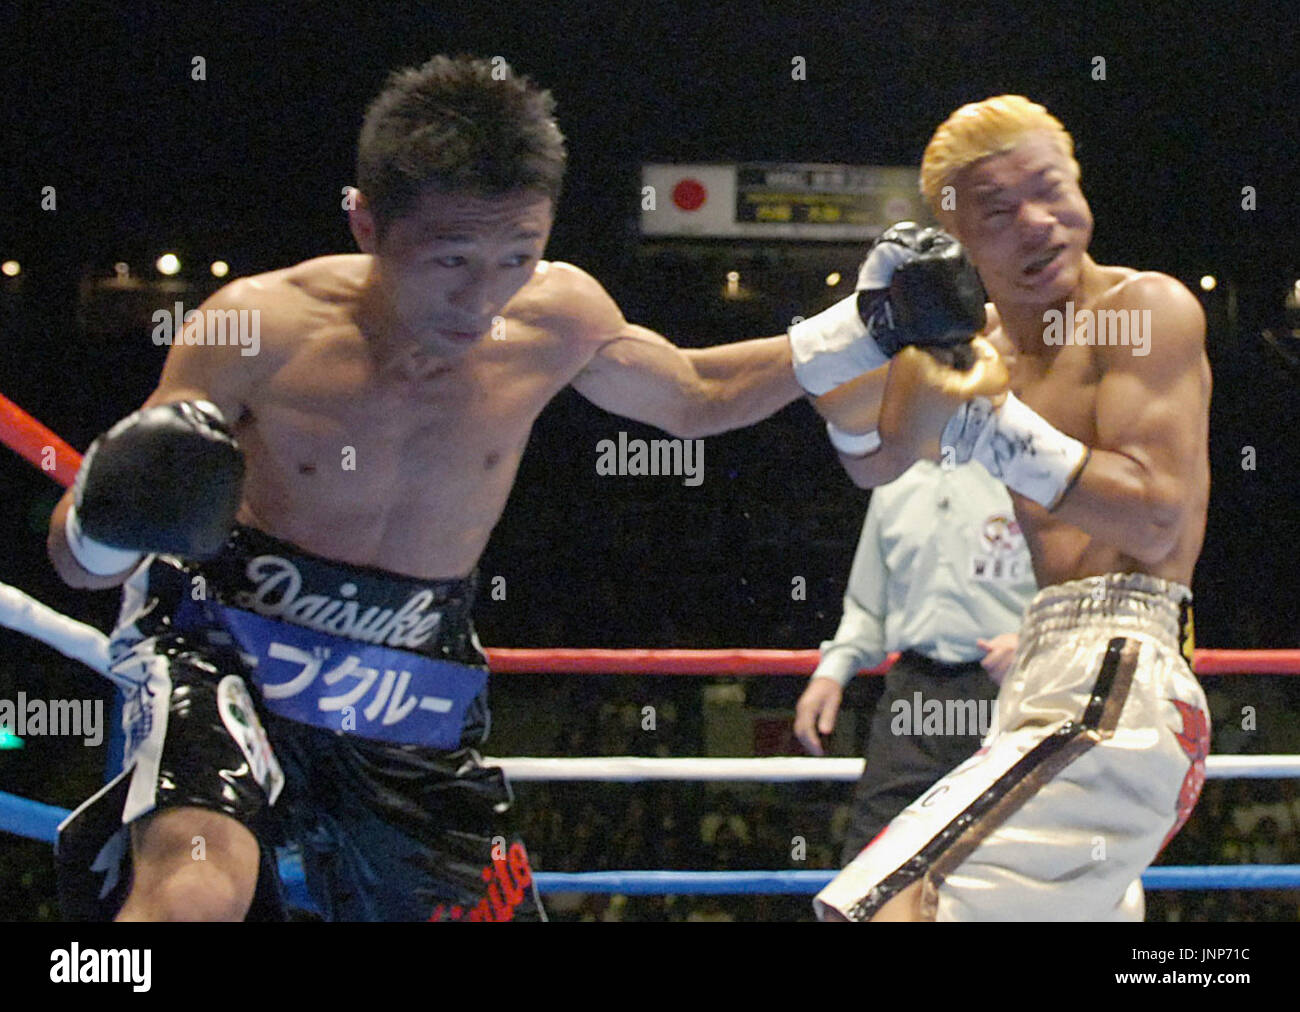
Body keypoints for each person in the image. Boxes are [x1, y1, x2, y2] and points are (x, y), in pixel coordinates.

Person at [46, 55, 973, 922]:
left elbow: (695, 396)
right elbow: (77, 558)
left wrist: (871, 322)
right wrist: (103, 518)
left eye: (517, 254)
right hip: (228, 640)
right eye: (451, 258)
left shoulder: (556, 316)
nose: (482, 295)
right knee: (198, 886)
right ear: (367, 222)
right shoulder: (257, 326)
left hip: (407, 681)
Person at [810, 95, 1212, 921]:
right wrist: (865, 326)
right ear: (958, 242)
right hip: (1042, 671)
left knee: (888, 905)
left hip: (1124, 676)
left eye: (1052, 189)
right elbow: (870, 454)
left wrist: (987, 424)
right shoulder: (977, 351)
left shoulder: (1144, 310)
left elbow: (1154, 518)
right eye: (999, 211)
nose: (1039, 223)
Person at [793, 459, 1035, 865]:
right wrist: (831, 674)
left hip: (1009, 691)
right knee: (871, 865)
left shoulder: (1027, 471)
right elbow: (868, 607)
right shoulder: (892, 478)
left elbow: (1084, 587)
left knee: (1007, 866)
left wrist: (1034, 640)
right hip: (916, 693)